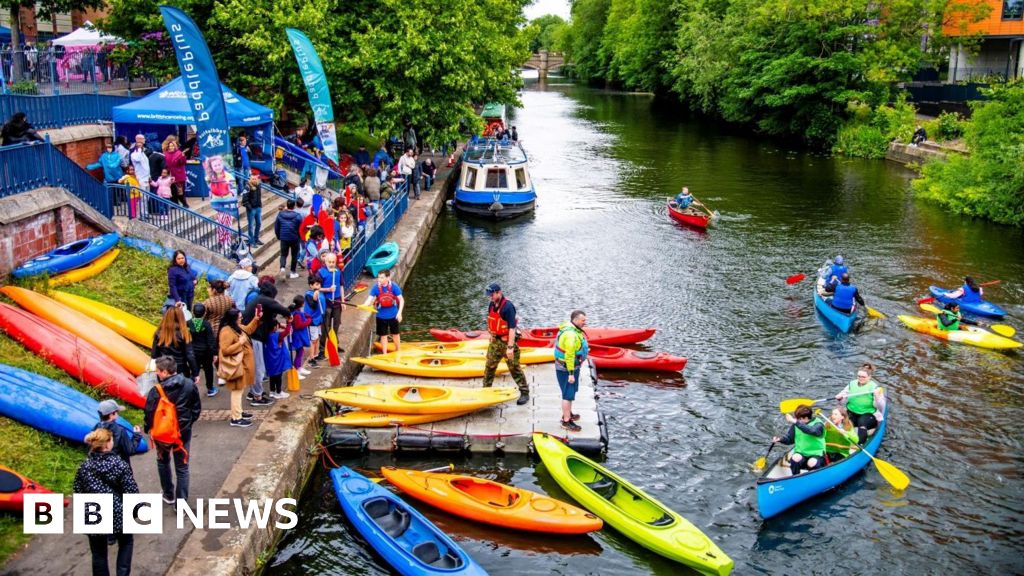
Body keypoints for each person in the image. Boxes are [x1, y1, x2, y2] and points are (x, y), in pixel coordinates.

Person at [74, 428, 139, 576]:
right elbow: (131, 491)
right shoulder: (119, 464)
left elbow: (78, 491)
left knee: (98, 553)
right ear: (108, 444)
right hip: (117, 511)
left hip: (93, 513)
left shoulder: (84, 467)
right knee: (126, 543)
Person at [144, 356, 201, 504]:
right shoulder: (189, 384)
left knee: (163, 462)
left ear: (164, 372)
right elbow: (196, 408)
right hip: (182, 434)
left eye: (157, 371)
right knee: (182, 468)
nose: (156, 373)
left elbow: (149, 412)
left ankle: (168, 494)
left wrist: (148, 428)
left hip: (163, 434)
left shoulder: (156, 390)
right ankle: (181, 503)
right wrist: (188, 423)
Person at [242, 279, 290, 406]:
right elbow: (282, 309)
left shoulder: (258, 300)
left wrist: (278, 324)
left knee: (257, 367)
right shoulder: (265, 300)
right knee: (259, 368)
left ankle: (254, 392)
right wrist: (289, 316)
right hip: (254, 337)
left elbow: (269, 318)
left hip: (252, 336)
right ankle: (257, 396)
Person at [481, 283, 530, 405]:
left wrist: (510, 347)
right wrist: (491, 336)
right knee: (489, 367)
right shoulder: (492, 305)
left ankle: (524, 392)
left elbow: (512, 329)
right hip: (495, 342)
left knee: (514, 369)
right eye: (489, 295)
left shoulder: (508, 307)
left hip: (507, 342)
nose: (490, 297)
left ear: (499, 292)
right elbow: (491, 321)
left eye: (492, 295)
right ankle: (485, 391)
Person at [218, 308, 260, 427]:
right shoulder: (226, 331)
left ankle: (239, 412)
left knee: (240, 390)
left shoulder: (236, 327)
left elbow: (248, 329)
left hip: (242, 366)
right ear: (233, 319)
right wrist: (240, 343)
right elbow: (225, 350)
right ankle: (236, 418)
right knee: (237, 391)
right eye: (239, 317)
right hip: (236, 367)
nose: (241, 318)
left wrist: (256, 318)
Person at [554, 310, 589, 432]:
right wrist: (570, 373)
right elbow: (569, 355)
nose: (585, 322)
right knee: (567, 394)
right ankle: (566, 421)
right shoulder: (570, 335)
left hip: (571, 366)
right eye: (583, 320)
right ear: (575, 320)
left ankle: (568, 413)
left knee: (571, 392)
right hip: (567, 368)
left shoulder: (572, 329)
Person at [835, 368, 886, 444]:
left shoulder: (875, 388)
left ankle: (860, 444)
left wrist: (877, 397)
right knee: (842, 422)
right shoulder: (851, 384)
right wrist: (840, 398)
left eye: (863, 377)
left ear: (869, 377)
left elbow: (881, 407)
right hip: (851, 412)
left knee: (862, 422)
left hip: (868, 414)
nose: (860, 378)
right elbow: (843, 400)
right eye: (859, 376)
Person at [772, 405, 826, 476]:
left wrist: (795, 422)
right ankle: (796, 477)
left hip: (817, 454)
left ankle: (814, 478)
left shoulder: (818, 425)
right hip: (802, 453)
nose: (797, 420)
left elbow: (811, 431)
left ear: (806, 418)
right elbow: (790, 439)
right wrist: (780, 440)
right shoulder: (796, 425)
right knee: (795, 458)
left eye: (799, 419)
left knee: (812, 462)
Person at [151, 306, 199, 381]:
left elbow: (154, 355)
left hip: (164, 370)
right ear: (181, 318)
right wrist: (195, 373)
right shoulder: (184, 334)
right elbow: (190, 355)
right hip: (180, 370)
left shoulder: (159, 333)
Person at [92, 400, 143, 466]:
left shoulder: (95, 429)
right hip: (119, 467)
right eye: (116, 412)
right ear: (111, 415)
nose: (118, 414)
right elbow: (130, 450)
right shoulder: (120, 430)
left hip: (100, 466)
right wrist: (137, 435)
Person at [318, 252, 346, 356]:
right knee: (326, 326)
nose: (331, 264)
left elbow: (342, 286)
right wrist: (328, 289)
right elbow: (317, 288)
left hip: (337, 301)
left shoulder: (338, 271)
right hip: (327, 302)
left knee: (336, 324)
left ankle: (335, 343)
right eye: (329, 262)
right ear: (325, 262)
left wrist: (343, 301)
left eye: (333, 262)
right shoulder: (320, 272)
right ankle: (322, 348)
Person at [189, 303, 219, 397]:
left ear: (193, 312)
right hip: (206, 352)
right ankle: (210, 389)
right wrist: (214, 352)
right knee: (208, 370)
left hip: (193, 351)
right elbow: (211, 339)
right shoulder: (206, 324)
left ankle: (190, 390)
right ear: (204, 313)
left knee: (194, 370)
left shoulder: (188, 323)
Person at [370, 270, 404, 353]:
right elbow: (369, 299)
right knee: (383, 336)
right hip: (381, 316)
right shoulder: (376, 287)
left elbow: (401, 300)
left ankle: (398, 350)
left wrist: (399, 313)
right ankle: (384, 354)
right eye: (379, 277)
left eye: (382, 278)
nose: (379, 279)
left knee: (396, 334)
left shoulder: (394, 286)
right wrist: (363, 305)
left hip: (393, 315)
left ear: (388, 278)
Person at [263, 318, 292, 399]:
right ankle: (278, 392)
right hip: (277, 359)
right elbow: (287, 331)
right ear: (275, 327)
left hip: (269, 360)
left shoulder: (265, 335)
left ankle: (272, 391)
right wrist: (288, 323)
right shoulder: (277, 335)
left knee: (272, 376)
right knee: (278, 376)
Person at [275, 199, 303, 279]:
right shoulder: (298, 216)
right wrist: (299, 237)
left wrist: (279, 236)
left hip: (284, 237)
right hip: (294, 238)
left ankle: (282, 268)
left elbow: (277, 227)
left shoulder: (280, 215)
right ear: (294, 206)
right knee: (294, 255)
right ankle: (292, 272)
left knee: (283, 254)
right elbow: (300, 228)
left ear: (287, 205)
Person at [305, 275, 327, 366]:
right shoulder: (308, 295)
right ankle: (311, 358)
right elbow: (313, 306)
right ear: (311, 285)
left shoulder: (320, 293)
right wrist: (314, 298)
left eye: (320, 284)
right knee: (313, 340)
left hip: (319, 320)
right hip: (312, 321)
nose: (319, 286)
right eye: (317, 284)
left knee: (317, 338)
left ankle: (316, 354)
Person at [289, 294, 313, 376]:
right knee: (299, 352)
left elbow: (303, 315)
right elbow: (299, 325)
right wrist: (309, 321)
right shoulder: (297, 314)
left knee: (301, 351)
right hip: (297, 336)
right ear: (302, 304)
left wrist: (306, 315)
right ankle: (296, 370)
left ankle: (299, 367)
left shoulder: (297, 311)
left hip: (298, 336)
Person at [164, 138, 189, 208]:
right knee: (172, 191)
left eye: (172, 146)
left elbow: (183, 163)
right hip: (170, 175)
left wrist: (183, 157)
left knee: (180, 191)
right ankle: (175, 204)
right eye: (170, 146)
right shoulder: (166, 154)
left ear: (175, 146)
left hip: (179, 175)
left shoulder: (179, 153)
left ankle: (184, 203)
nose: (171, 147)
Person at [242, 174, 264, 246]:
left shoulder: (258, 185)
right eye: (253, 179)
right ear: (250, 179)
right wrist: (250, 207)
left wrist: (260, 205)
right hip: (251, 209)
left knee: (259, 223)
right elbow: (244, 200)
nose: (254, 180)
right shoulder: (247, 187)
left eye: (255, 179)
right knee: (251, 225)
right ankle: (251, 241)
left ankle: (256, 239)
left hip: (258, 208)